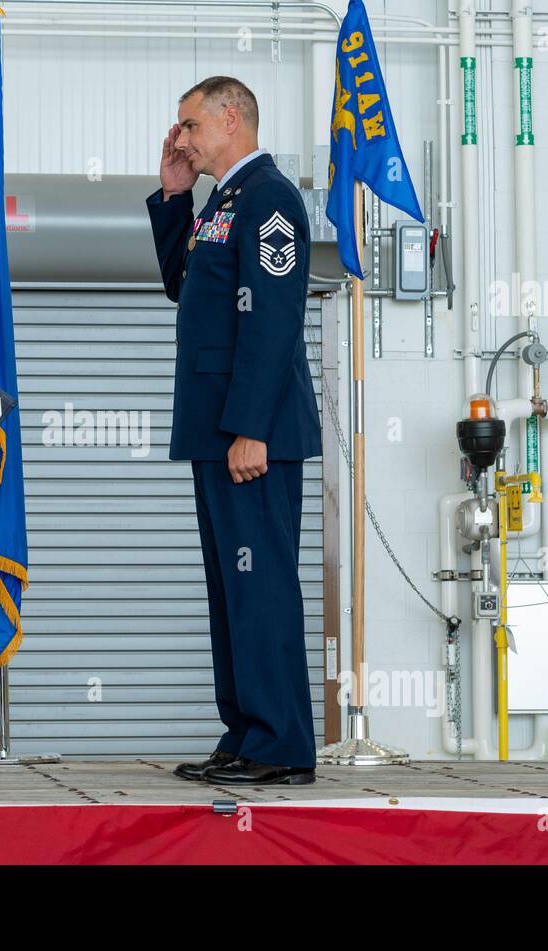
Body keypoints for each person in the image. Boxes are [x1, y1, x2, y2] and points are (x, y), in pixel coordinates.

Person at [145, 77, 323, 785]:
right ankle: (248, 730)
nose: (181, 137)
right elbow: (179, 282)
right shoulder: (223, 201)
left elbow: (273, 321)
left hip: (253, 434)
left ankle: (281, 744)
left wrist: (250, 430)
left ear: (229, 117)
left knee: (263, 587)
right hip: (217, 429)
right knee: (232, 589)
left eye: (189, 124)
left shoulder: (271, 197)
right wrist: (172, 197)